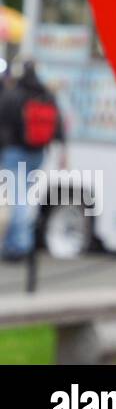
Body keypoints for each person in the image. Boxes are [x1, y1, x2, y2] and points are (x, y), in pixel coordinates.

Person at [0, 58, 67, 261]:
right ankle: (15, 242)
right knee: (26, 199)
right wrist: (63, 152)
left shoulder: (14, 95)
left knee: (18, 199)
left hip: (14, 153)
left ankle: (20, 245)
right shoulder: (46, 95)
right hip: (38, 154)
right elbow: (59, 126)